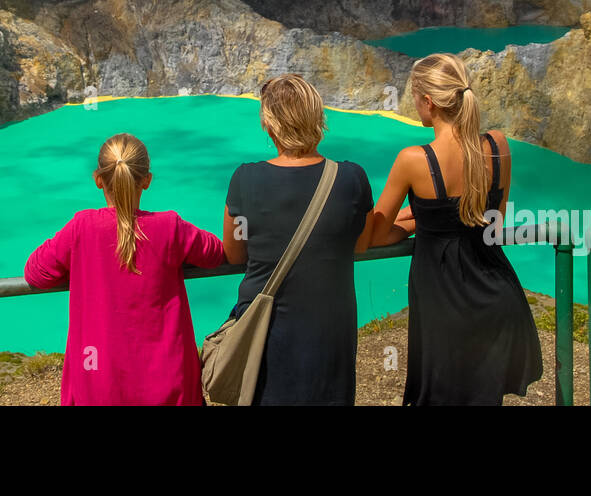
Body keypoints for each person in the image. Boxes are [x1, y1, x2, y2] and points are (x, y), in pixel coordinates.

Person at [367, 53, 543, 405]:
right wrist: (428, 218)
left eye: (414, 97)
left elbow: (375, 234)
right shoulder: (497, 146)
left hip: (444, 308)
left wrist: (415, 222)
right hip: (498, 298)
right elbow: (492, 219)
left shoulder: (414, 160)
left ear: (428, 103)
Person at [25, 132, 223, 405]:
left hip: (98, 388)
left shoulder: (82, 227)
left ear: (98, 180)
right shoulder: (170, 227)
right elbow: (215, 253)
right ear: (147, 180)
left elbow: (36, 272)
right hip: (169, 385)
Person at [221, 74, 374, 404]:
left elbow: (234, 254)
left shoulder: (245, 179)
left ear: (270, 126)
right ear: (318, 118)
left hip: (265, 335)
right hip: (330, 336)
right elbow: (360, 244)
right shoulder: (351, 178)